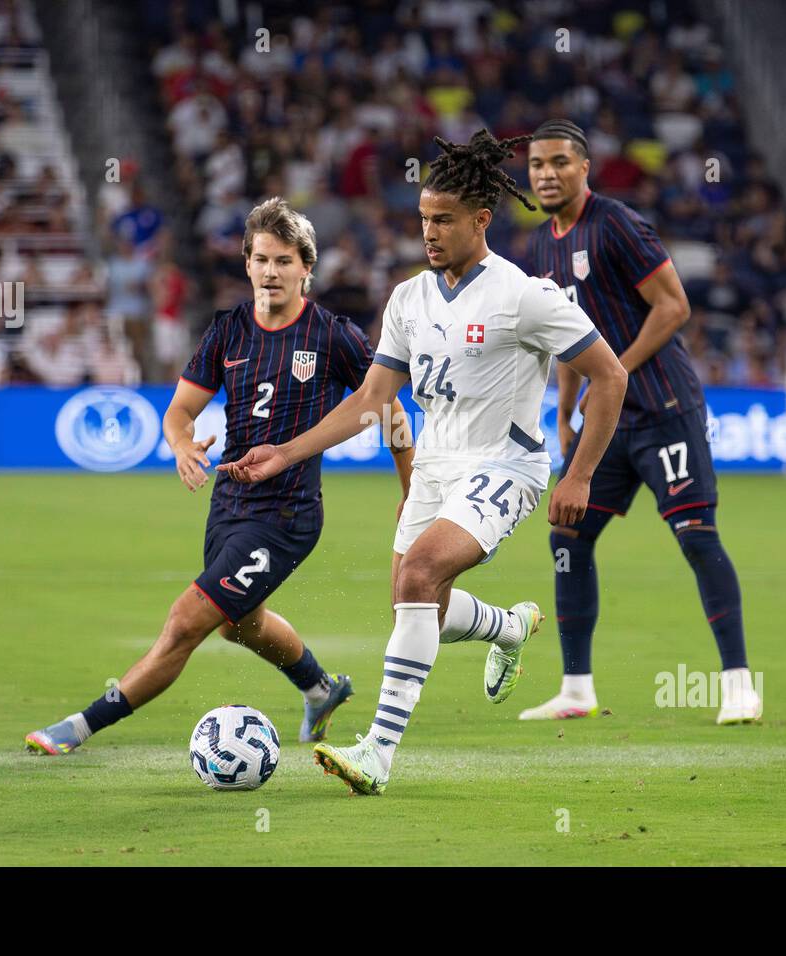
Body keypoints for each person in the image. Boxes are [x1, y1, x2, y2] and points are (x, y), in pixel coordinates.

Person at [219, 131, 628, 795]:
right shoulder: (409, 299)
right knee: (418, 607)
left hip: (506, 465)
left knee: (418, 575)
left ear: (481, 220)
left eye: (443, 220)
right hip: (437, 466)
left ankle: (377, 753)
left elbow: (610, 376)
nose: (429, 233)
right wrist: (284, 454)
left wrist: (579, 473)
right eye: (423, 219)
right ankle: (508, 627)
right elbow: (371, 401)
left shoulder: (525, 296)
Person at [25, 197, 415, 755]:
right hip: (229, 504)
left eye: (284, 261)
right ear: (247, 263)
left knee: (188, 620)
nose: (270, 272)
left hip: (286, 516)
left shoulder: (333, 335)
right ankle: (319, 688)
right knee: (238, 624)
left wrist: (410, 489)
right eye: (261, 259)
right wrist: (182, 445)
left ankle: (80, 727)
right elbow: (178, 412)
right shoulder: (228, 330)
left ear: (306, 267)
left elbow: (389, 409)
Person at [522, 119, 761, 726]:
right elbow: (565, 337)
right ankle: (576, 688)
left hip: (663, 410)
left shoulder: (617, 224)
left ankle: (739, 684)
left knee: (696, 536)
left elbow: (674, 306)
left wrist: (614, 374)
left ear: (584, 168)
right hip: (605, 423)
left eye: (559, 162)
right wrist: (565, 413)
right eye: (537, 164)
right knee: (567, 536)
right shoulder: (542, 245)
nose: (547, 174)